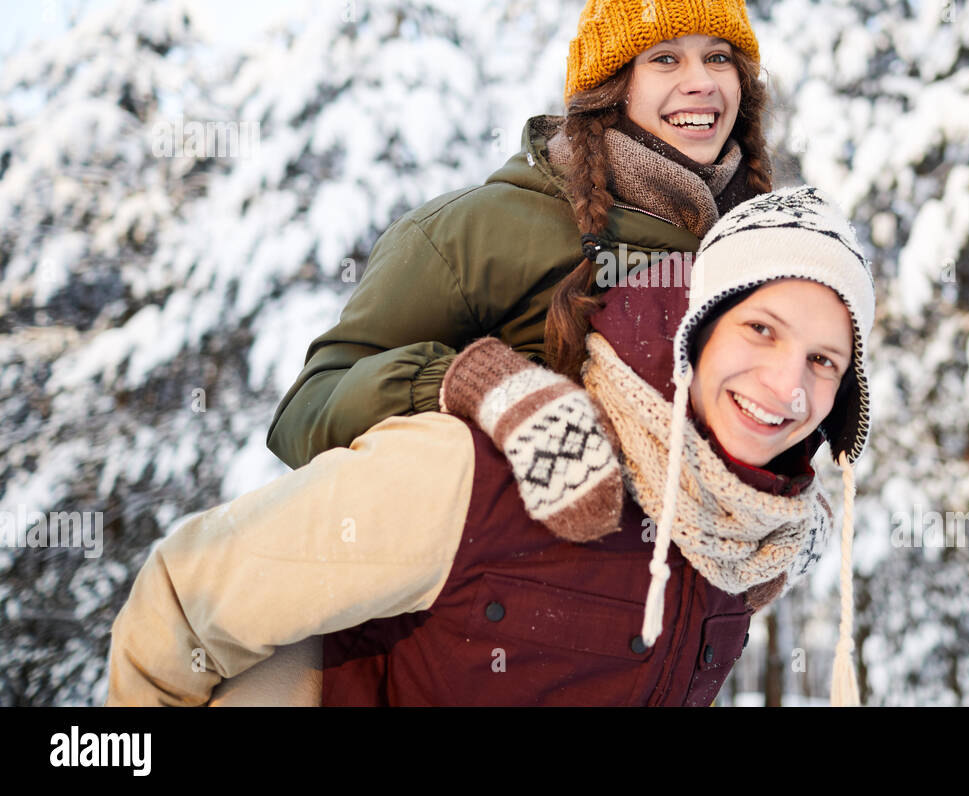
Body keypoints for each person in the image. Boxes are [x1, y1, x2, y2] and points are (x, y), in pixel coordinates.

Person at [105, 187, 875, 707]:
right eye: (761, 330)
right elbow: (187, 596)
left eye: (823, 361)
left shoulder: (738, 554)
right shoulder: (477, 473)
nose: (786, 386)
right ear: (697, 327)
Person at [265, 0, 773, 486]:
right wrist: (477, 386)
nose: (702, 83)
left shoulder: (758, 240)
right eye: (665, 59)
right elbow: (310, 408)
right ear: (612, 87)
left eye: (718, 57)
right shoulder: (476, 229)